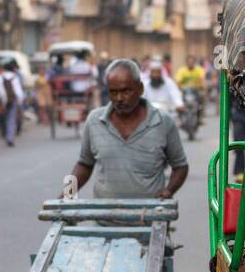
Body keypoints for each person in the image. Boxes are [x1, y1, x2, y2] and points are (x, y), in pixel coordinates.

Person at [65, 57, 188, 200]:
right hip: (103, 218)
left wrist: (168, 191)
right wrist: (67, 195)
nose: (119, 98)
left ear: (140, 89)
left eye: (126, 91)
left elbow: (180, 166)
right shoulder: (94, 121)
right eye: (113, 92)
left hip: (150, 219)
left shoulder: (163, 121)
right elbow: (83, 164)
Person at [1, 59, 25, 147]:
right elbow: (18, 91)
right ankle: (10, 138)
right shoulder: (14, 77)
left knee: (4, 119)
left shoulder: (0, 76)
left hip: (2, 101)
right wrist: (20, 102)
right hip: (12, 101)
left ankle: (5, 134)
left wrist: (2, 101)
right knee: (11, 119)